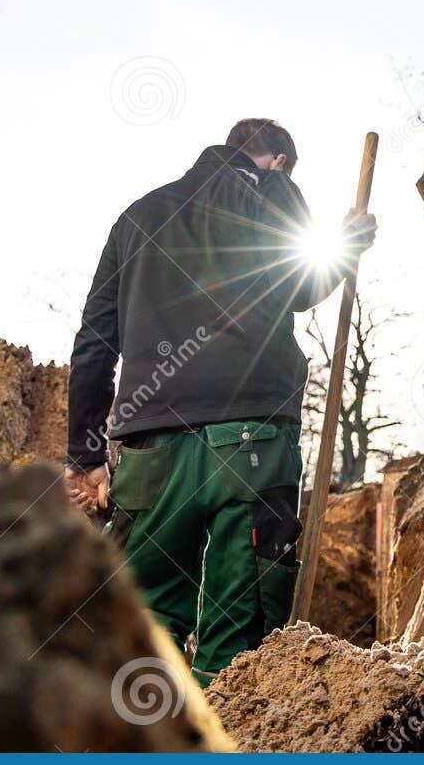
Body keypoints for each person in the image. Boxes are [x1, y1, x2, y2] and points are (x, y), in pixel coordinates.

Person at [62, 118, 375, 684]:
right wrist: (347, 242)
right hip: (252, 444)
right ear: (279, 162)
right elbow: (301, 287)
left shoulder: (137, 218)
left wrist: (85, 455)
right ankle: (228, 733)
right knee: (239, 644)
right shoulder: (269, 197)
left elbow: (93, 344)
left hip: (151, 451)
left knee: (140, 626)